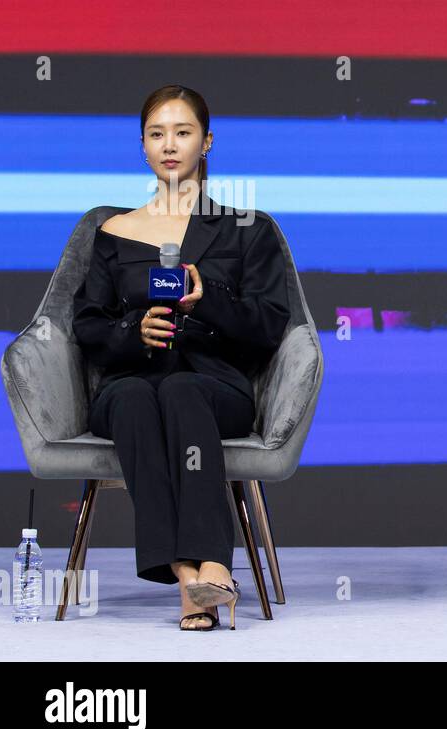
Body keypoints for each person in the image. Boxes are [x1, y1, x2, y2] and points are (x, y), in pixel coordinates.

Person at [72, 84, 289, 630]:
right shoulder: (113, 233)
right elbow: (86, 326)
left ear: (207, 142)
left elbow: (268, 325)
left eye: (183, 132)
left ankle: (209, 564)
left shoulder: (248, 230)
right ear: (143, 148)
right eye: (157, 134)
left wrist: (208, 301)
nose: (170, 144)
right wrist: (133, 329)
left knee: (180, 388)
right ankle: (192, 576)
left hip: (214, 385)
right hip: (129, 381)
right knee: (140, 398)